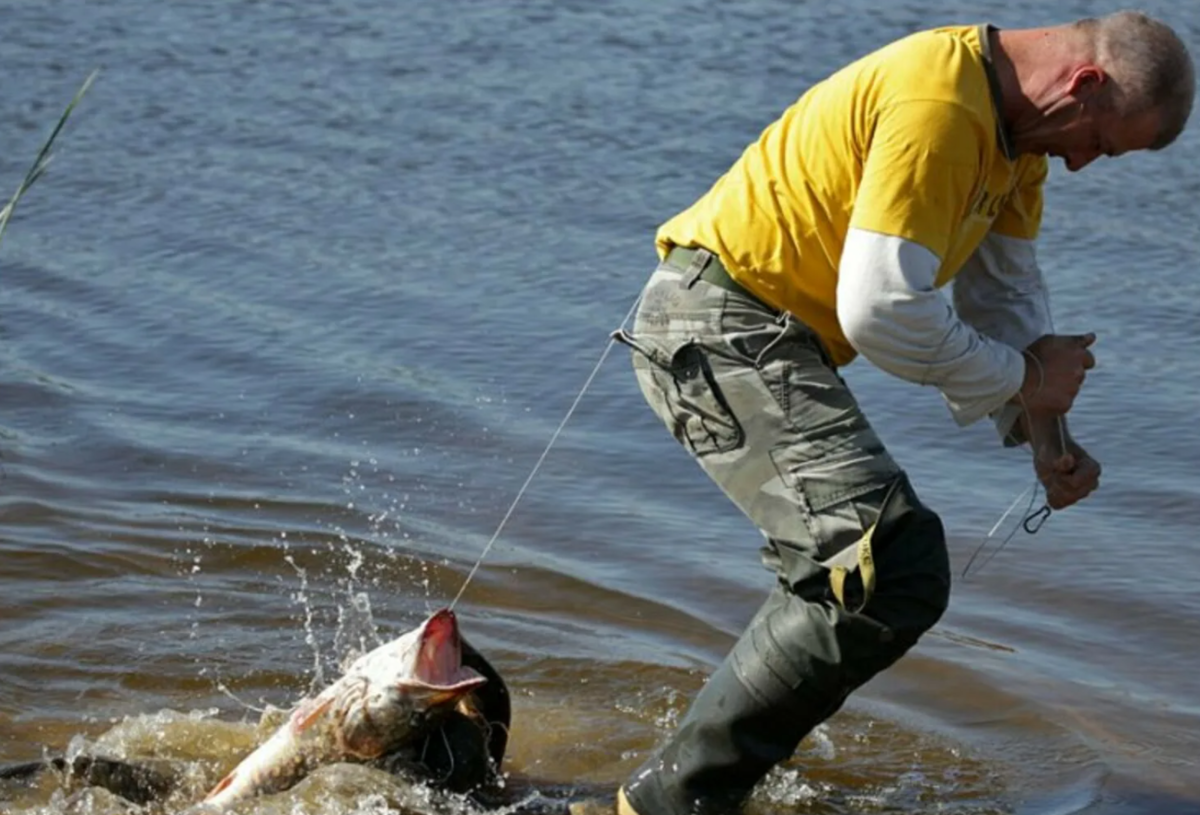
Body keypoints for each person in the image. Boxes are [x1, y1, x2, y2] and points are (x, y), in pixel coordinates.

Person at [570, 10, 1194, 815]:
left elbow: (1004, 296)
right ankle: (666, 803)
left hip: (765, 340)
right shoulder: (942, 105)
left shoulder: (1017, 140)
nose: (1080, 165)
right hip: (716, 329)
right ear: (1083, 85)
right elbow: (882, 311)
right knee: (885, 565)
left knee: (879, 567)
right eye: (1099, 144)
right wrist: (1026, 374)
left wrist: (1044, 432)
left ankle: (686, 792)